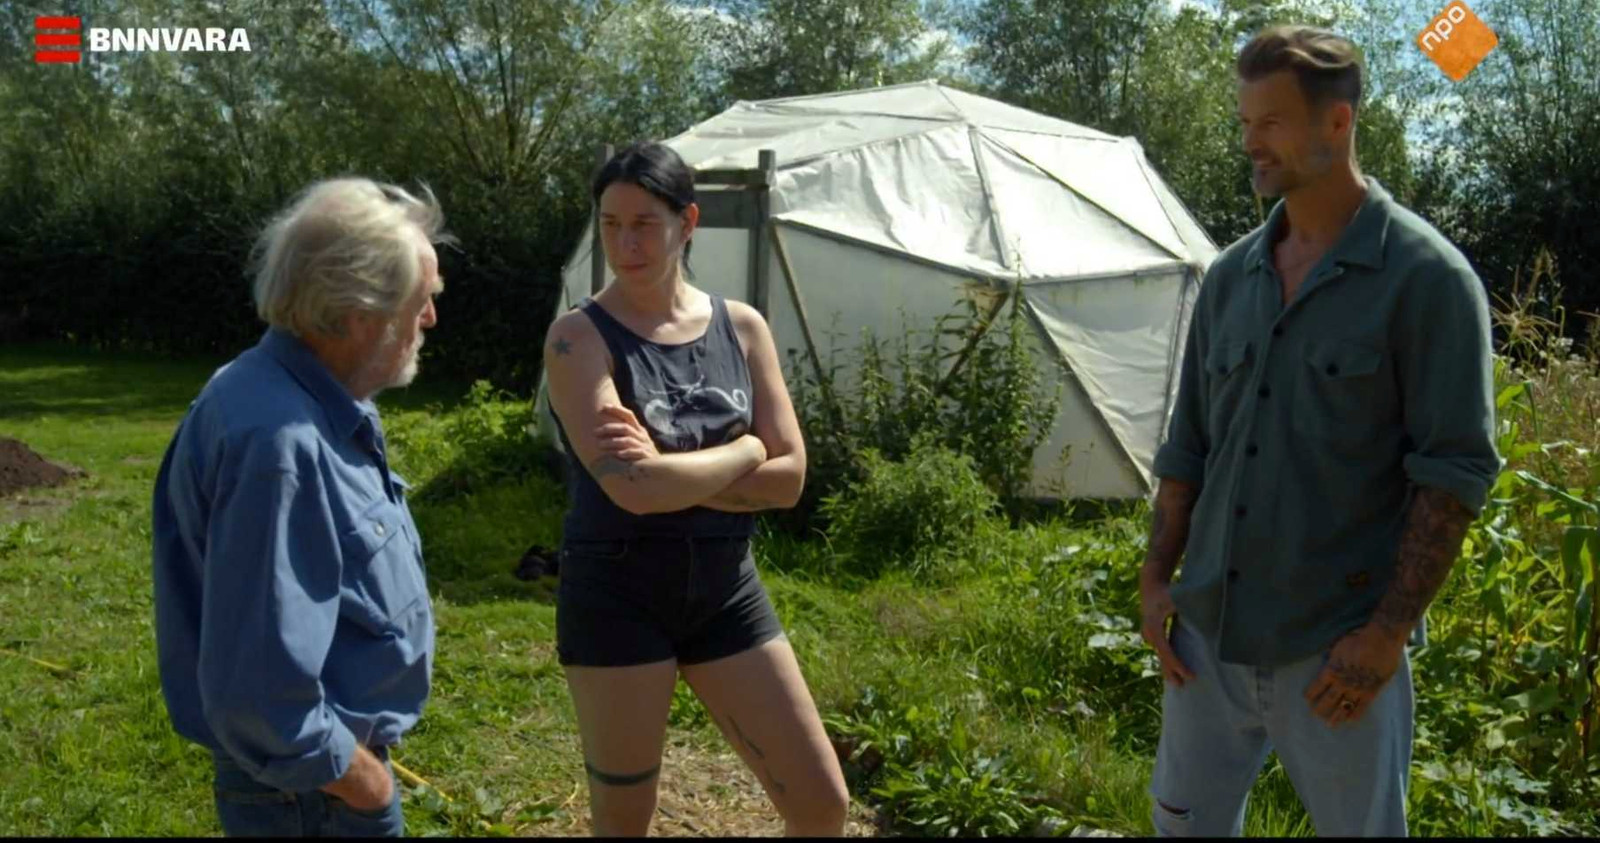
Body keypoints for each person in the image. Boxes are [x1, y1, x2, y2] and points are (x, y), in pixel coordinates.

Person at [1139, 25, 1502, 837]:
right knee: (1182, 824)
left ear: (1337, 123)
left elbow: (1453, 476)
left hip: (1336, 654)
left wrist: (1385, 635)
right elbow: (1188, 445)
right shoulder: (1231, 277)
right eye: (1244, 122)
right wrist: (1157, 577)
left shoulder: (1427, 280)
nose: (1250, 142)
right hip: (1207, 639)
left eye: (1270, 122)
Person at [542, 142, 851, 837]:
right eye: (611, 224)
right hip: (617, 592)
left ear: (687, 222)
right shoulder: (578, 340)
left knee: (821, 802)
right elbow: (635, 490)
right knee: (625, 820)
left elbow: (790, 480)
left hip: (725, 588)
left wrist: (672, 474)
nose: (625, 244)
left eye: (644, 224)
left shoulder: (742, 327)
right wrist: (746, 450)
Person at [151, 178, 451, 837]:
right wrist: (364, 783)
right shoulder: (279, 443)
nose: (429, 317)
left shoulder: (313, 397)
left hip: (318, 780)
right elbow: (260, 695)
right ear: (359, 314)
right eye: (421, 298)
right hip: (313, 794)